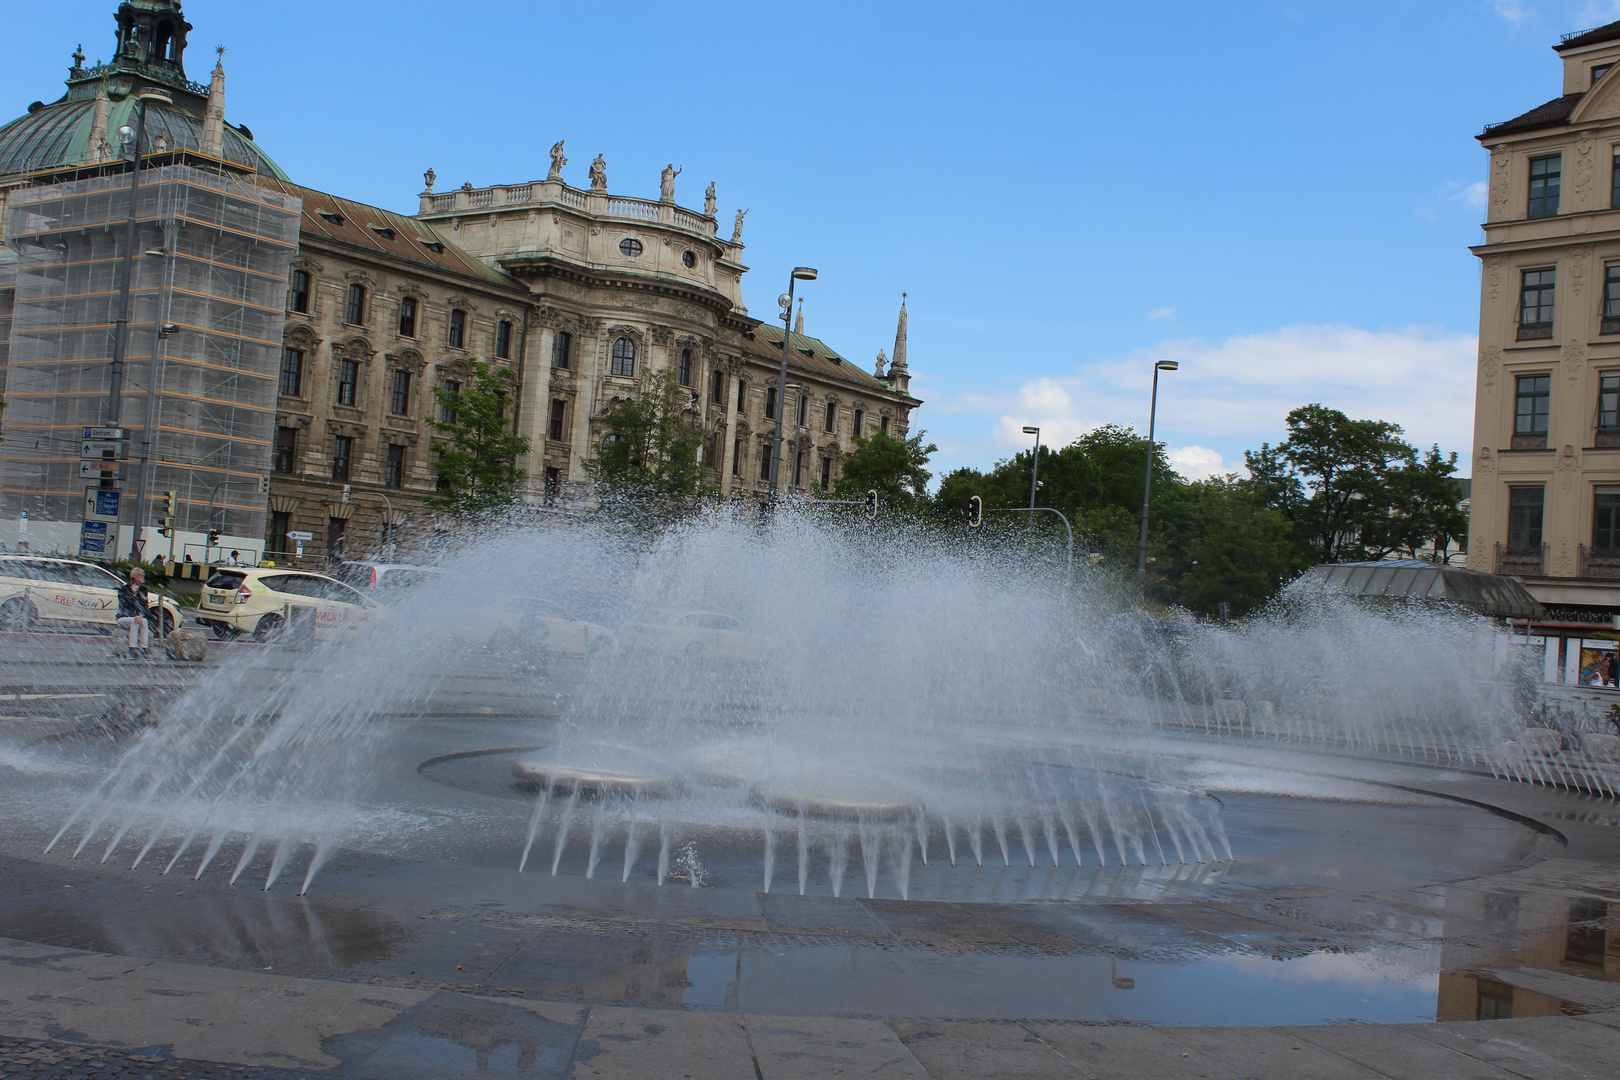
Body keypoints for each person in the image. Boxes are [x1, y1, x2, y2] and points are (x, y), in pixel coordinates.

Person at [116, 568, 156, 659]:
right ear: (133, 577)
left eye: (142, 577)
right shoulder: (124, 589)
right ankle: (132, 647)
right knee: (135, 621)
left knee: (144, 621)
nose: (141, 579)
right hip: (124, 617)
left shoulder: (143, 590)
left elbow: (145, 606)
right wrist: (133, 595)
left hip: (137, 617)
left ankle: (143, 647)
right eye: (139, 577)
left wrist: (140, 615)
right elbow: (124, 605)